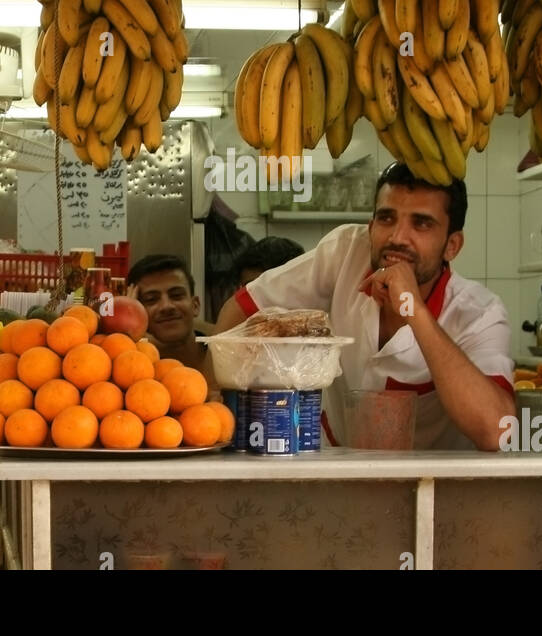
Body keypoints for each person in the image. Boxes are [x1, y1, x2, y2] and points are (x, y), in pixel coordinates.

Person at [215, 163, 515, 451]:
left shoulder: (480, 313)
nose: (397, 238)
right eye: (386, 218)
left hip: (434, 488)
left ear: (453, 245)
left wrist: (415, 313)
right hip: (339, 469)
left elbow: (496, 432)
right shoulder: (346, 251)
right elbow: (242, 308)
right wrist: (213, 410)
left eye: (421, 224)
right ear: (371, 227)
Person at [127, 253, 216, 390]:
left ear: (195, 305)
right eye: (151, 299)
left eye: (176, 296)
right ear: (138, 311)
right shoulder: (131, 371)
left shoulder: (223, 358)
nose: (166, 306)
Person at [232, 237, 305, 288]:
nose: (262, 295)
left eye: (273, 286)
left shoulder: (313, 306)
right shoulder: (234, 307)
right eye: (251, 287)